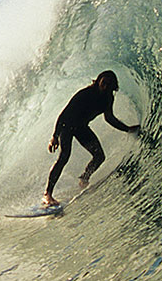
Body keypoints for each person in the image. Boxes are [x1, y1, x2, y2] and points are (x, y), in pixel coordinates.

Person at [43, 70, 140, 206]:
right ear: (99, 80)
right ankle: (48, 194)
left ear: (113, 86)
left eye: (109, 84)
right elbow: (64, 114)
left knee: (99, 156)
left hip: (81, 127)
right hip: (67, 125)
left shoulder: (108, 99)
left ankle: (84, 177)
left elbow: (109, 118)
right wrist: (54, 136)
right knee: (64, 157)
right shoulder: (85, 93)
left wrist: (127, 129)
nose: (105, 85)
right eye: (104, 82)